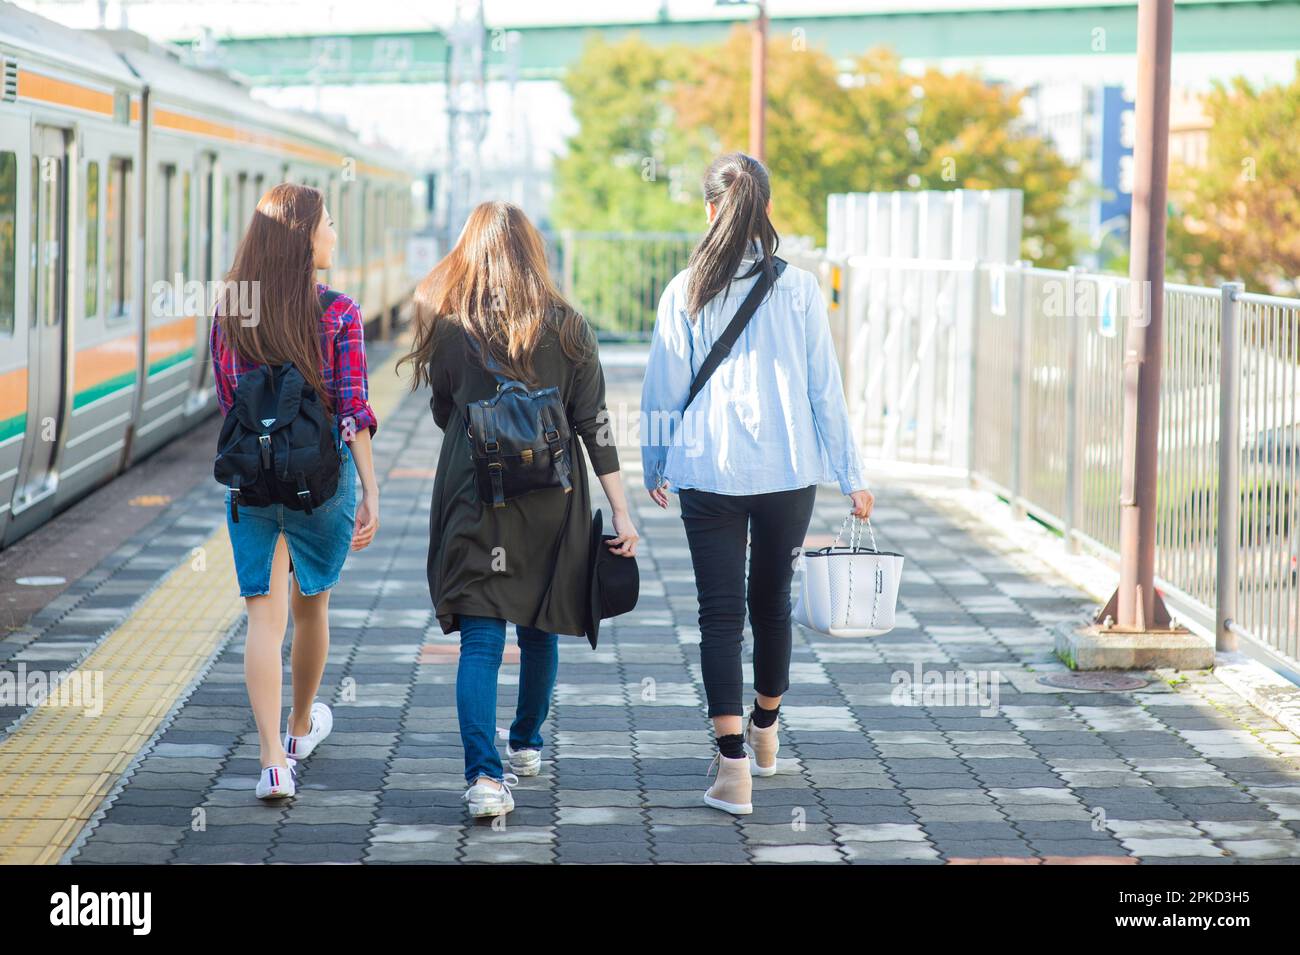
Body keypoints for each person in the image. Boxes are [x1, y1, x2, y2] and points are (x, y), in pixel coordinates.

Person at [640, 152, 874, 815]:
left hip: (707, 471)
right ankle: (766, 728)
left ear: (711, 209)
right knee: (771, 603)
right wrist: (852, 473)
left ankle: (733, 767)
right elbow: (823, 388)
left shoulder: (684, 288)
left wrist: (654, 460)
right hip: (788, 471)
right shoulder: (799, 288)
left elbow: (664, 385)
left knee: (720, 613)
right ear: (764, 210)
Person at [398, 200, 638, 819]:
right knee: (539, 623)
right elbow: (596, 426)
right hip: (552, 500)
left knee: (481, 639)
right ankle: (526, 743)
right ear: (535, 252)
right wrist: (622, 512)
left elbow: (446, 411)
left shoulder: (449, 328)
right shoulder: (568, 326)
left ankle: (484, 778)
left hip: (475, 494)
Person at [210, 183, 380, 801]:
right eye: (328, 223)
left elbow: (229, 402)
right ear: (305, 237)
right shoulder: (339, 313)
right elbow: (351, 410)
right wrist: (371, 489)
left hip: (253, 481)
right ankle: (301, 726)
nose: (334, 233)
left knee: (264, 616)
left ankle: (271, 761)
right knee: (313, 608)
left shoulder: (232, 308)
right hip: (321, 482)